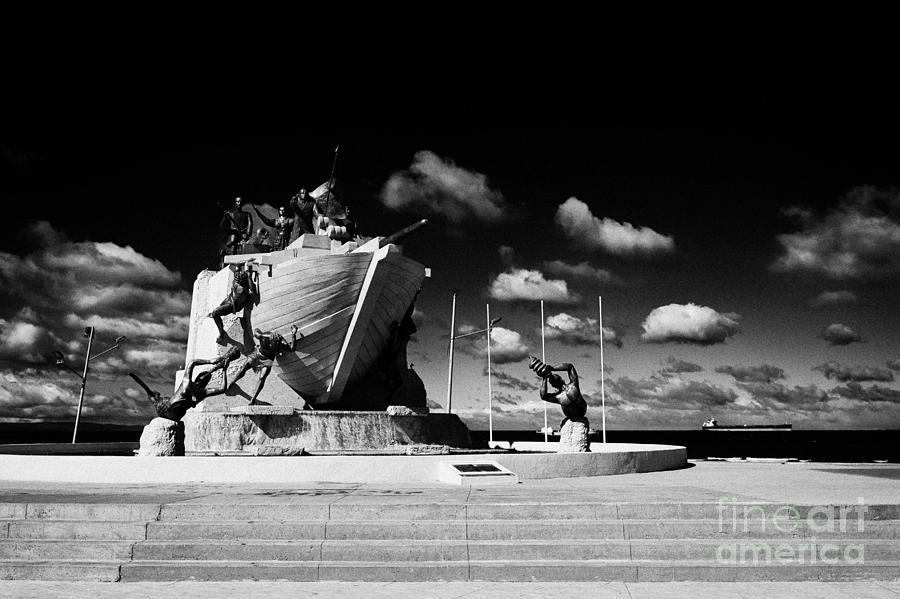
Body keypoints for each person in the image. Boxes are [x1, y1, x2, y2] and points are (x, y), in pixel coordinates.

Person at [130, 347, 241, 421]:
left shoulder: (192, 386)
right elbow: (223, 388)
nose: (203, 379)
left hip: (172, 412)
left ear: (198, 379)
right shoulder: (197, 390)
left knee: (156, 399)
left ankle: (155, 398)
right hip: (173, 412)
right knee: (156, 399)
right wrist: (215, 365)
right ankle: (155, 398)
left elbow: (192, 363)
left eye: (203, 378)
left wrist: (220, 367)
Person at [229, 325, 300, 404]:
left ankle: (253, 399)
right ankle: (233, 381)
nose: (272, 346)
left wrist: (293, 334)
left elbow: (292, 348)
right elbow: (256, 331)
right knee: (244, 368)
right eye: (272, 344)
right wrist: (257, 335)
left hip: (267, 360)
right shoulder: (263, 336)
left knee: (262, 377)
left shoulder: (280, 342)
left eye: (275, 345)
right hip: (257, 354)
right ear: (270, 340)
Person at [529, 357, 587, 429]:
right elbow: (543, 396)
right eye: (552, 381)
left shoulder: (573, 385)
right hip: (571, 419)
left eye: (556, 377)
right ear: (553, 385)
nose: (553, 379)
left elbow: (570, 367)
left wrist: (551, 368)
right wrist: (544, 378)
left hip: (581, 416)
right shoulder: (558, 397)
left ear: (561, 379)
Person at [208, 265, 257, 345]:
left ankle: (221, 333)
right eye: (236, 279)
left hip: (233, 306)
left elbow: (252, 290)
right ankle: (218, 323)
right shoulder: (236, 280)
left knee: (215, 313)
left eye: (238, 280)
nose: (236, 280)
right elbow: (237, 271)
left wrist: (249, 276)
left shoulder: (243, 290)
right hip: (229, 299)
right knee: (217, 311)